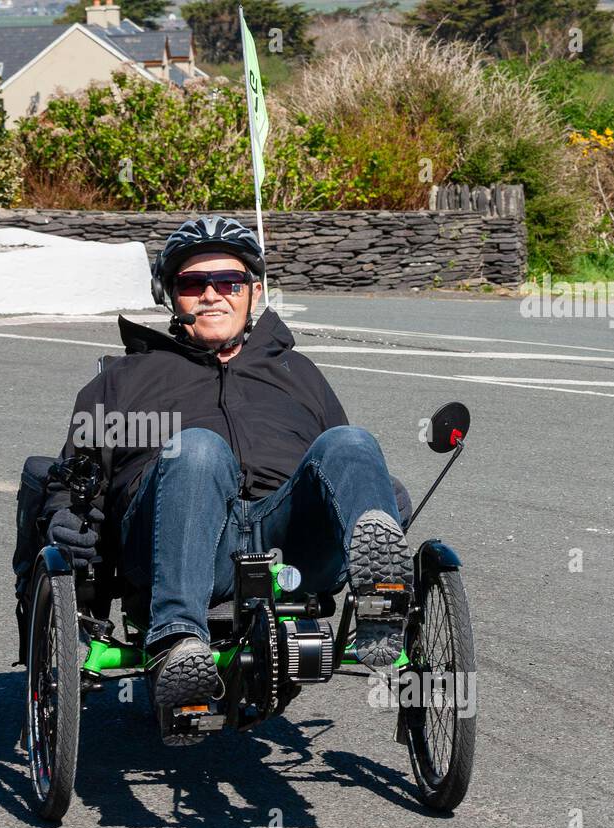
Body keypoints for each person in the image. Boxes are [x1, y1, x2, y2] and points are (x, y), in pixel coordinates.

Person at [41, 215, 413, 743]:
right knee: (196, 448)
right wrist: (62, 517)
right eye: (194, 284)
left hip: (289, 547)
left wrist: (381, 495)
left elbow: (338, 468)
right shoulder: (121, 380)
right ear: (171, 295)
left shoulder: (296, 370)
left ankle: (382, 598)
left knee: (352, 442)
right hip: (180, 542)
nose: (212, 295)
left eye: (229, 283)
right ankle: (178, 644)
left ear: (253, 292)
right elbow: (70, 474)